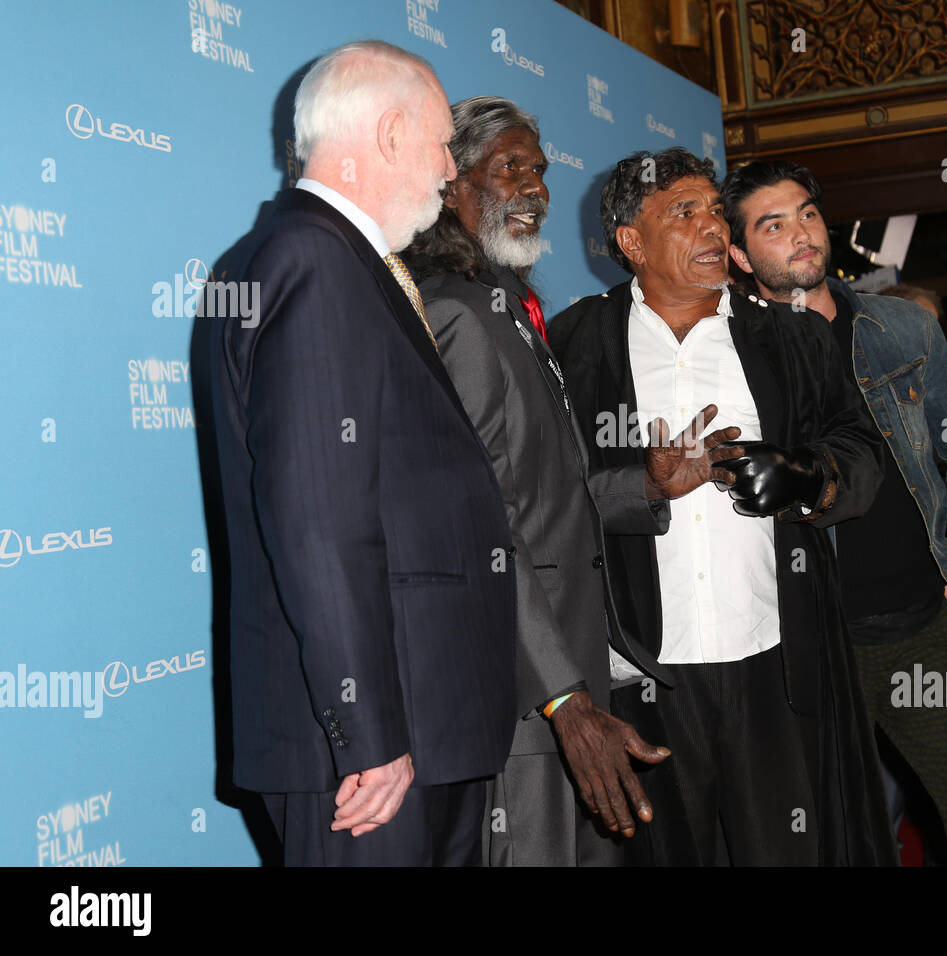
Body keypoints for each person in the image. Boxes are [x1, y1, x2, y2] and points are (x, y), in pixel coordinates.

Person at [405, 97, 742, 864]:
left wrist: (647, 487)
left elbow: (544, 504)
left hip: (575, 686)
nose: (536, 188)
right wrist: (562, 697)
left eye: (540, 170)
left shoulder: (511, 311)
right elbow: (481, 527)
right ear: (449, 183)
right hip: (527, 703)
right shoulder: (455, 315)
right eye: (509, 168)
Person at [206, 41, 517, 866]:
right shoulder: (312, 261)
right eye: (443, 142)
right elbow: (318, 519)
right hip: (370, 753)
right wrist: (369, 734)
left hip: (414, 726)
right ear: (387, 133)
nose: (452, 169)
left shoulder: (331, 261)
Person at [548, 147, 897, 866]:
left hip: (777, 664)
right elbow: (542, 503)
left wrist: (809, 475)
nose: (711, 227)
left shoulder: (790, 337)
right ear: (631, 242)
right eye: (684, 212)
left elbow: (863, 454)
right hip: (644, 676)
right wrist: (642, 486)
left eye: (714, 210)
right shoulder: (573, 344)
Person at [721, 158, 947, 866]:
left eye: (806, 213)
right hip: (801, 642)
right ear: (740, 253)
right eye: (773, 225)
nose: (800, 233)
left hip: (925, 627)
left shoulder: (902, 329)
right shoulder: (728, 352)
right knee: (824, 845)